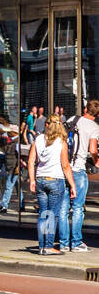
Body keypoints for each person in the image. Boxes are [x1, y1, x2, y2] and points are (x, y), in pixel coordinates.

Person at [29, 114, 77, 255]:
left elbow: (31, 161)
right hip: (55, 180)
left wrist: (32, 180)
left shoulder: (38, 139)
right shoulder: (61, 142)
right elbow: (66, 166)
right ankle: (48, 246)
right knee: (52, 215)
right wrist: (72, 185)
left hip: (40, 180)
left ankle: (42, 246)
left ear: (47, 125)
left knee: (43, 214)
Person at [64, 100, 99, 252]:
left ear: (85, 109)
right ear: (97, 115)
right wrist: (97, 162)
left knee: (63, 208)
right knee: (78, 208)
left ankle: (64, 243)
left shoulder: (73, 119)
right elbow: (92, 148)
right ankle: (76, 242)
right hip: (78, 169)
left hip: (65, 168)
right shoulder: (94, 127)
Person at [0, 121, 31, 214]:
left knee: (8, 186)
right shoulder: (13, 141)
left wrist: (18, 167)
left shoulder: (17, 142)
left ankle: (4, 205)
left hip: (14, 168)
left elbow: (20, 156)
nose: (8, 133)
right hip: (12, 167)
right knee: (17, 187)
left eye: (10, 131)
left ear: (14, 132)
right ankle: (21, 205)